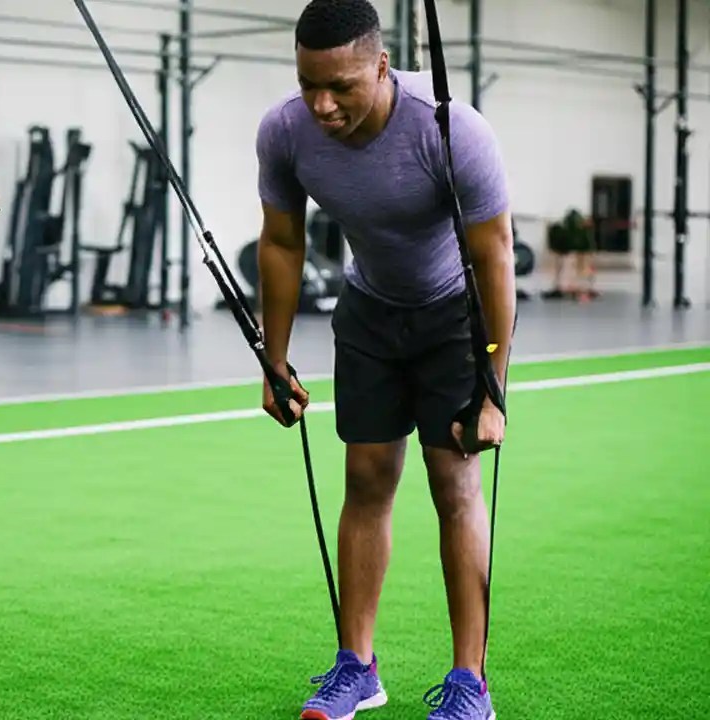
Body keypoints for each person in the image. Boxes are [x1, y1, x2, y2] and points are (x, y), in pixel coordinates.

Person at [254, 1, 515, 719]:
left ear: (381, 65)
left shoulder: (451, 130)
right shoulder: (285, 130)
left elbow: (494, 256)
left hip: (451, 317)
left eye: (340, 85)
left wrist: (493, 388)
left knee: (453, 483)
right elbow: (280, 243)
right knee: (365, 478)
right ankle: (357, 667)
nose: (322, 103)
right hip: (367, 312)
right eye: (309, 83)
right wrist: (273, 362)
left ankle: (470, 684)